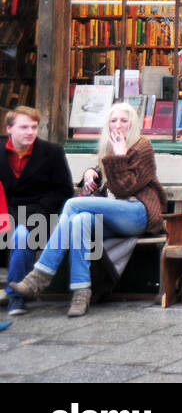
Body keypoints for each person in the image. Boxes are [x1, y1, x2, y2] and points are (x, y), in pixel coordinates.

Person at [10, 103, 164, 317]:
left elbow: (125, 188)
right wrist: (91, 173)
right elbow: (107, 184)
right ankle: (81, 292)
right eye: (113, 120)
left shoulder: (142, 147)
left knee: (73, 205)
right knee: (79, 220)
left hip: (136, 213)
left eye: (124, 120)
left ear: (133, 124)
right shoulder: (109, 147)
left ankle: (39, 276)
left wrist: (120, 156)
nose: (118, 125)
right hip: (113, 216)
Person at [1, 107, 74, 316]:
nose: (30, 132)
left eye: (34, 127)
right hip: (4, 215)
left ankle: (16, 298)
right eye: (24, 127)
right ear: (9, 129)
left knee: (21, 235)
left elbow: (64, 191)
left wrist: (34, 213)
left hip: (39, 218)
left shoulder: (52, 152)